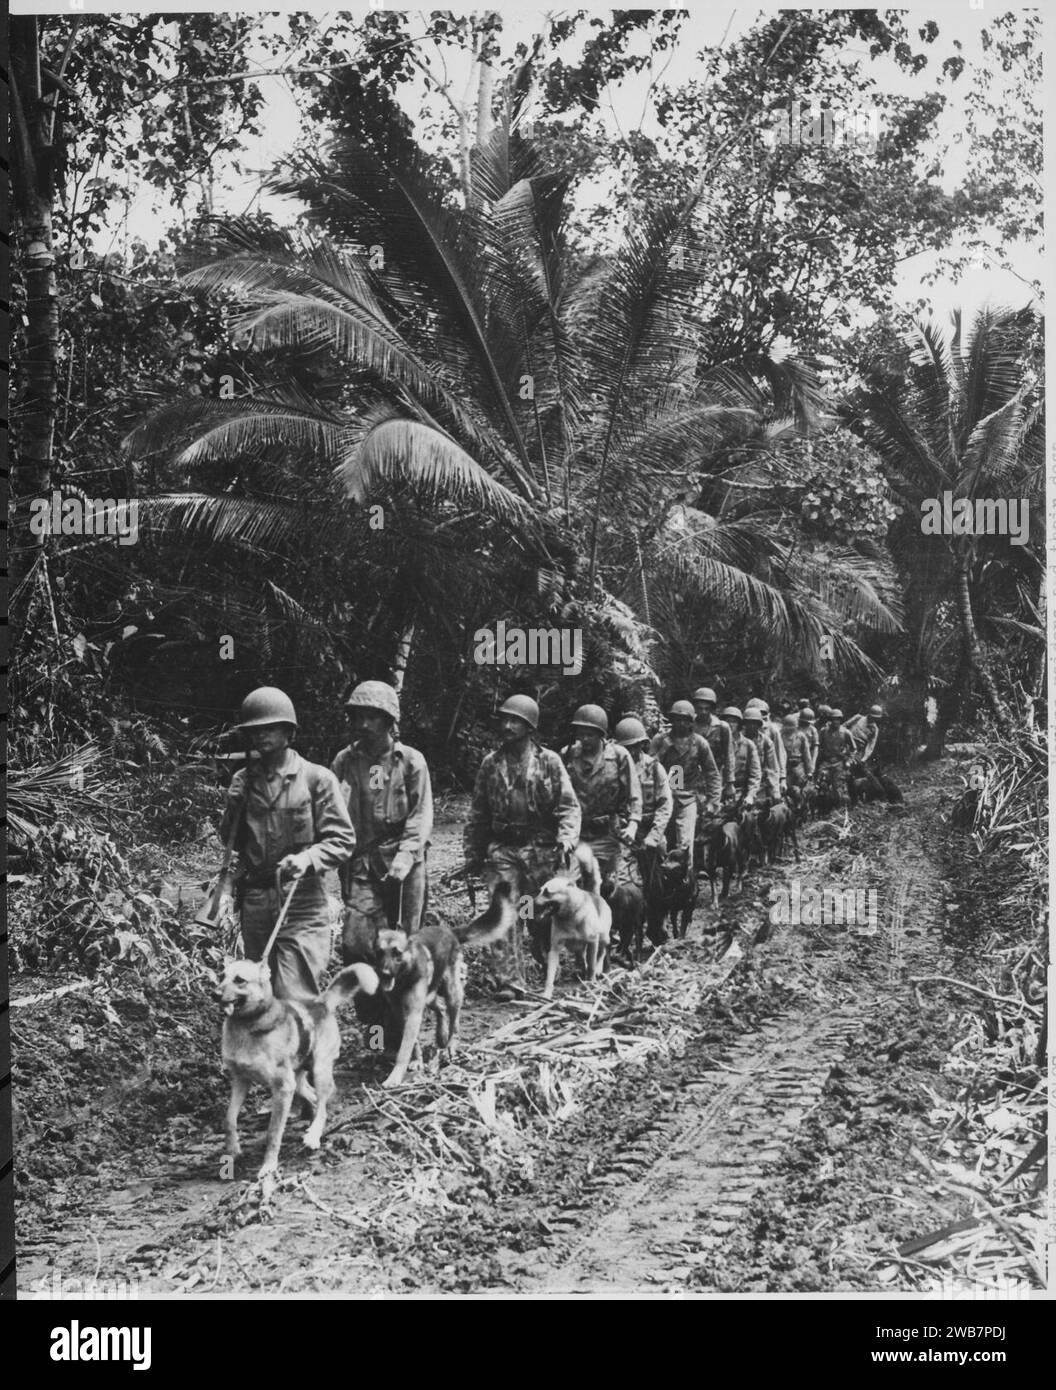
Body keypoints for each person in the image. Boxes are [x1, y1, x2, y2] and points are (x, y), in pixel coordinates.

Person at [219, 686, 356, 1001]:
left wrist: (308, 859)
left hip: (302, 900)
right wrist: (233, 806)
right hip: (256, 899)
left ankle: (304, 1049)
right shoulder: (243, 780)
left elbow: (342, 839)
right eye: (254, 730)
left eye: (270, 728)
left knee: (294, 992)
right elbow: (231, 842)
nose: (261, 736)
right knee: (257, 995)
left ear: (288, 731)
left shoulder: (316, 779)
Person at [464, 694, 581, 959]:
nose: (507, 726)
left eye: (515, 721)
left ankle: (542, 951)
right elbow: (478, 812)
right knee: (504, 910)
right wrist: (473, 853)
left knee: (536, 913)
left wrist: (566, 838)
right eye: (504, 720)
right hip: (502, 849)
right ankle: (510, 980)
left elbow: (569, 805)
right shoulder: (490, 764)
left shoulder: (549, 761)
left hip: (540, 850)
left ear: (529, 727)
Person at [331, 681, 433, 967]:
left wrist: (405, 856)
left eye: (372, 716)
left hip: (405, 864)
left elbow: (421, 815)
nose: (363, 724)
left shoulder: (412, 762)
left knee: (406, 944)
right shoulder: (344, 761)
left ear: (389, 720)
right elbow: (331, 812)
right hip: (362, 864)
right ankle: (371, 1009)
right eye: (358, 716)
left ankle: (403, 1009)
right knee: (356, 943)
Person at [563, 704, 642, 887]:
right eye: (580, 734)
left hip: (607, 834)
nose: (584, 739)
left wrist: (633, 825)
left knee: (609, 889)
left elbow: (634, 794)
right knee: (570, 888)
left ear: (601, 735)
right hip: (577, 833)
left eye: (589, 735)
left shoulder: (619, 756)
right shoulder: (568, 755)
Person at [650, 699, 721, 868]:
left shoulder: (699, 743)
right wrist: (662, 751)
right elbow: (647, 768)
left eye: (685, 720)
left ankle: (685, 880)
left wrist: (713, 801)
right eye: (677, 719)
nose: (681, 723)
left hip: (687, 798)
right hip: (662, 799)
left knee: (685, 843)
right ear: (671, 720)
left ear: (691, 722)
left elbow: (712, 772)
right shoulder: (660, 740)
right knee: (660, 842)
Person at [614, 716, 673, 858]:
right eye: (627, 748)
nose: (632, 752)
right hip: (622, 830)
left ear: (643, 745)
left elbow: (665, 806)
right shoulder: (613, 768)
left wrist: (654, 836)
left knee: (661, 863)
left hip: (649, 828)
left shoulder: (654, 768)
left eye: (636, 746)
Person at [692, 687, 734, 801]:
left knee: (712, 809)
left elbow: (729, 755)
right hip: (691, 776)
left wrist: (730, 782)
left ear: (712, 709)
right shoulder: (688, 725)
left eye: (707, 709)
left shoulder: (722, 727)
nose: (703, 712)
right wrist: (675, 784)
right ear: (695, 708)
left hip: (713, 776)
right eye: (700, 708)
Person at [743, 701, 782, 805]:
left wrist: (776, 789)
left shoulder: (766, 741)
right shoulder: (738, 739)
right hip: (741, 781)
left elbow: (772, 767)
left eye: (755, 723)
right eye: (749, 723)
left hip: (760, 782)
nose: (752, 726)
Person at [723, 707, 762, 807]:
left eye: (734, 722)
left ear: (740, 724)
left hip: (739, 791)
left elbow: (755, 774)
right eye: (727, 721)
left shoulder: (748, 745)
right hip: (717, 790)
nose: (730, 725)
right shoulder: (716, 743)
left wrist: (750, 795)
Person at [816, 707, 855, 805]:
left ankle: (837, 808)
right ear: (830, 720)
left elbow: (854, 748)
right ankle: (822, 808)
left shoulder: (846, 732)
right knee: (820, 784)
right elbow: (817, 746)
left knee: (837, 787)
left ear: (841, 720)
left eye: (838, 719)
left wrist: (849, 761)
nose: (836, 721)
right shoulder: (824, 731)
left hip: (839, 762)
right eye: (833, 719)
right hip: (826, 761)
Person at [780, 712, 812, 791]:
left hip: (798, 767)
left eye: (792, 726)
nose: (789, 729)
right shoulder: (780, 736)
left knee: (801, 789)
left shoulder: (801, 736)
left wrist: (809, 771)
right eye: (787, 726)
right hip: (785, 767)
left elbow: (806, 754)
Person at [798, 705, 819, 777]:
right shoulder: (796, 728)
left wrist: (812, 764)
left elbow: (815, 748)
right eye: (803, 722)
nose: (805, 724)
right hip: (797, 757)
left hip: (808, 755)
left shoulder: (813, 730)